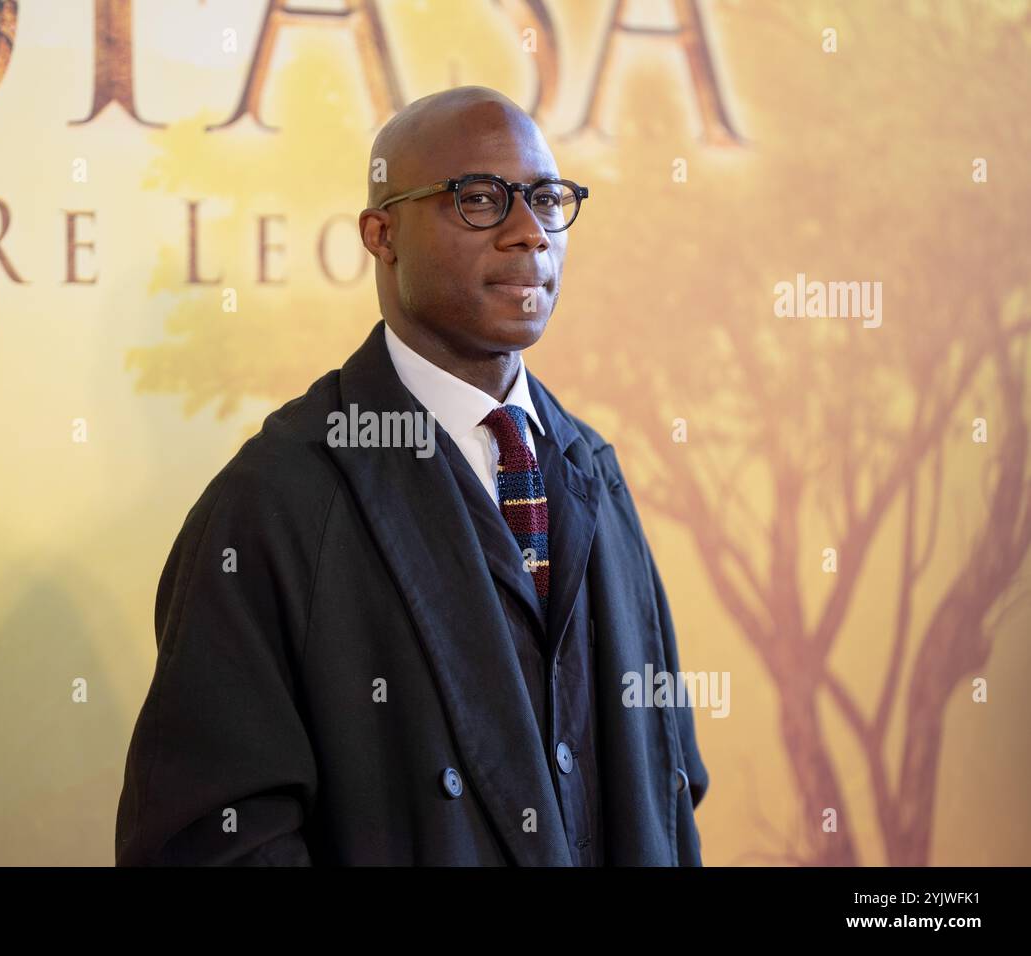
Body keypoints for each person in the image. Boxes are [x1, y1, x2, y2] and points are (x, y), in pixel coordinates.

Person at [115, 85, 708, 865]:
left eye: (547, 200)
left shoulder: (590, 469)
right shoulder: (277, 500)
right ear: (381, 233)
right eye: (480, 200)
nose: (529, 234)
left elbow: (669, 783)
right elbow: (212, 840)